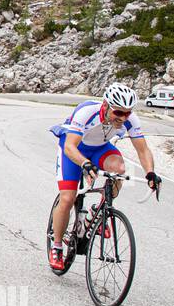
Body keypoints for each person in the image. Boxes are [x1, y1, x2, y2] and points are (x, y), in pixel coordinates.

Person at [48, 84, 161, 269]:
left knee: (120, 168)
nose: (122, 118)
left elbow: (143, 149)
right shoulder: (87, 112)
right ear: (106, 105)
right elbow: (70, 147)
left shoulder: (130, 119)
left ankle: (98, 212)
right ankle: (57, 246)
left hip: (100, 148)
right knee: (68, 198)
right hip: (73, 149)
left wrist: (150, 173)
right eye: (118, 112)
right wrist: (84, 163)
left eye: (127, 113)